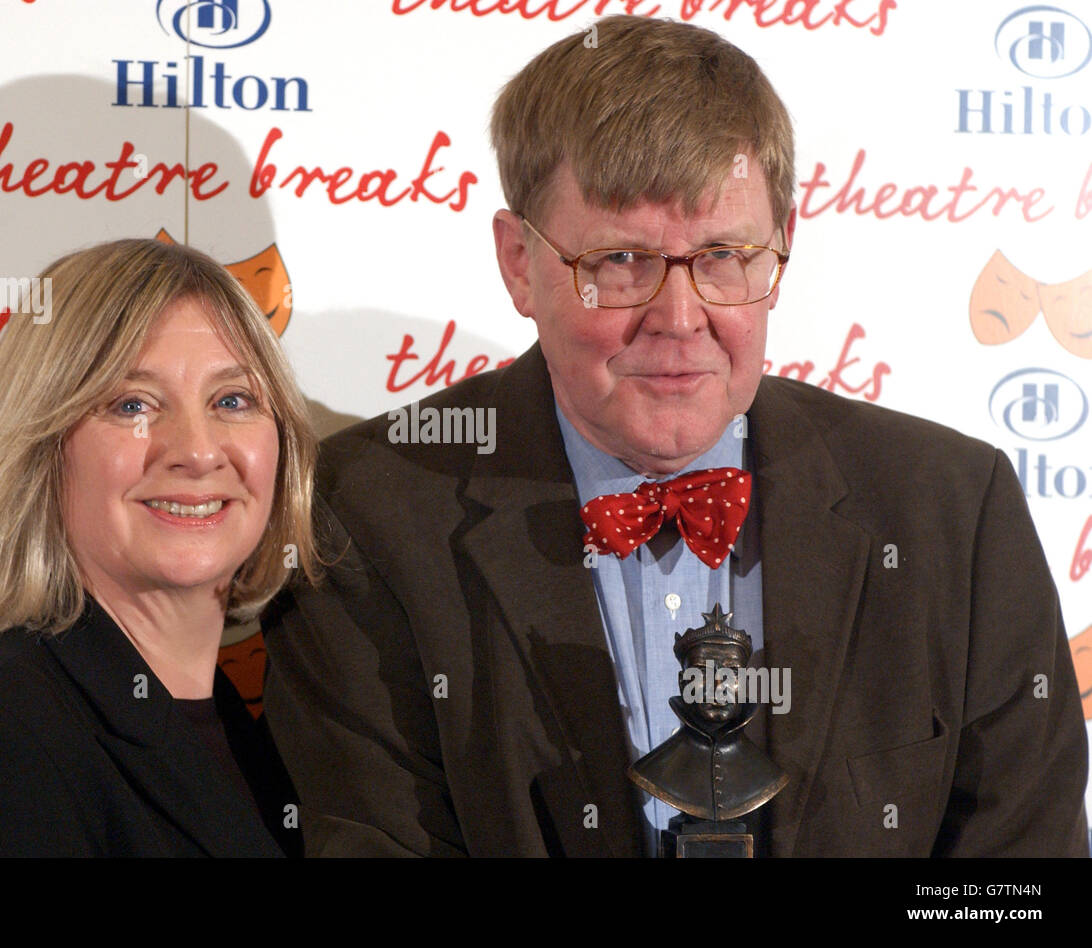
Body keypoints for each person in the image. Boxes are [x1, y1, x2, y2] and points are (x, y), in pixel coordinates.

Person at [261, 16, 1089, 857]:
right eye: (621, 261)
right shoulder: (364, 514)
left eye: (725, 254)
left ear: (783, 249)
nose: (680, 319)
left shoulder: (951, 507)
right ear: (518, 262)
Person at [0, 238, 319, 857]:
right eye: (133, 405)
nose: (199, 451)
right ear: (41, 452)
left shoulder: (246, 731)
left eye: (233, 401)